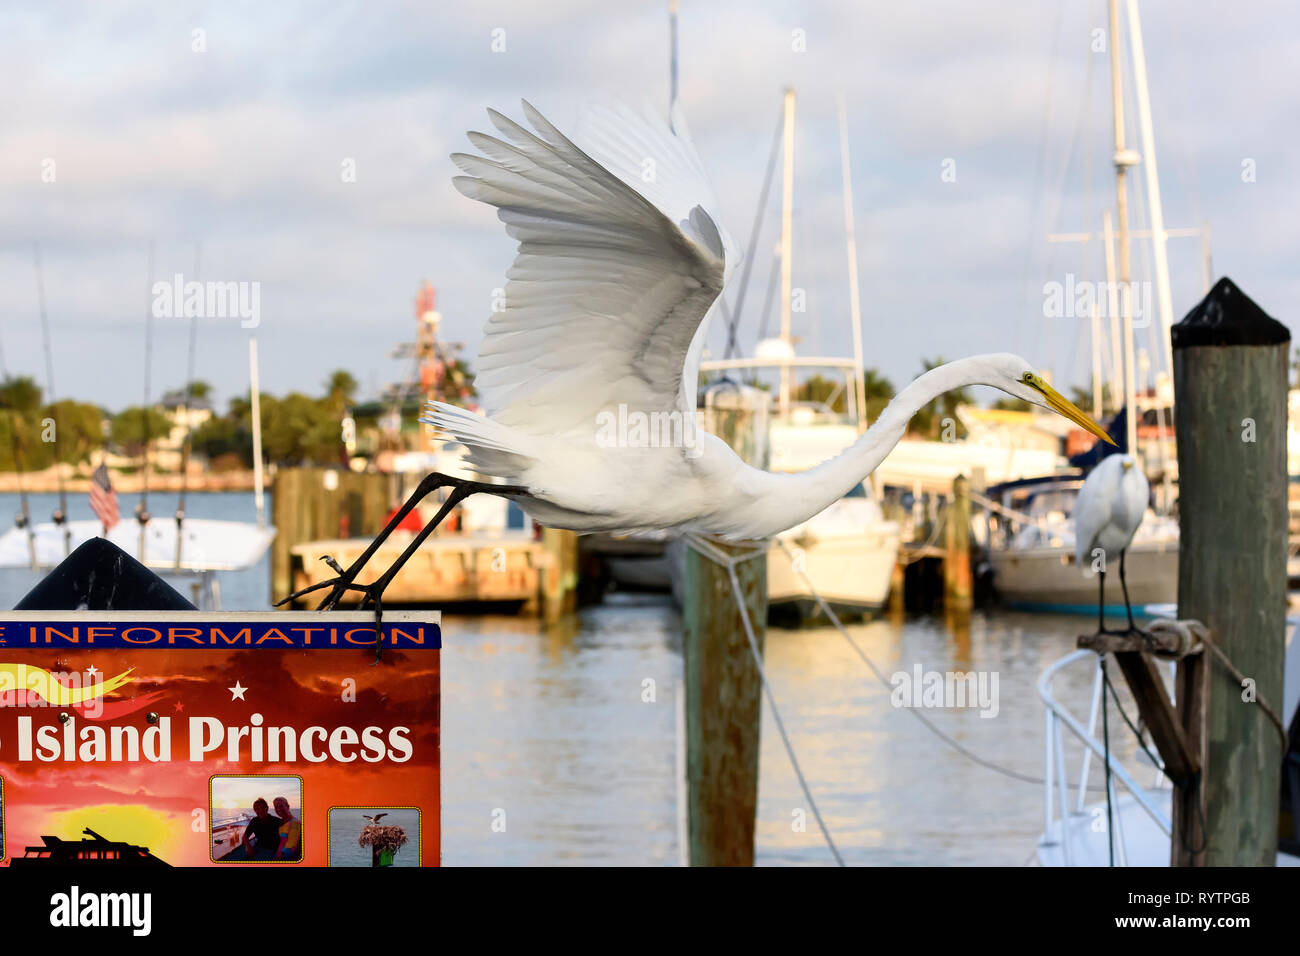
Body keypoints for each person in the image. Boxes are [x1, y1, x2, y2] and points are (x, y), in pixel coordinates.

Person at [274, 796, 301, 861]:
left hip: (286, 858)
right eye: (276, 807)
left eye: (281, 806)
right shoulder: (282, 822)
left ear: (287, 806)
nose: (278, 809)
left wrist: (278, 858)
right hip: (278, 855)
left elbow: (291, 847)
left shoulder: (295, 823)